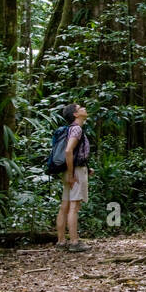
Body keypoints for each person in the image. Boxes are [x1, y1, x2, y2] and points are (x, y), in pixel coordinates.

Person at [55, 103, 91, 252]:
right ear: (76, 114)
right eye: (80, 108)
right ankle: (75, 242)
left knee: (65, 206)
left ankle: (61, 241)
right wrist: (72, 174)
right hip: (74, 172)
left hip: (71, 170)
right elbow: (69, 151)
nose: (84, 109)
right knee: (74, 207)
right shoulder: (76, 129)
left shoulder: (71, 129)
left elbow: (74, 153)